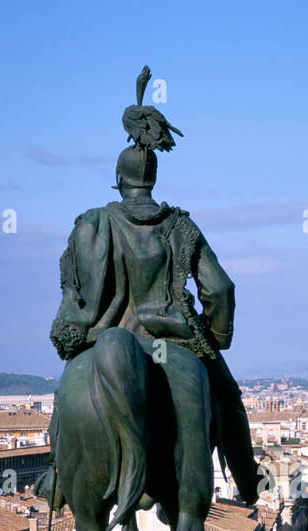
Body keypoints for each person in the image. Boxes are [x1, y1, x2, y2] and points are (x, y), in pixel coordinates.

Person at [46, 69, 260, 505]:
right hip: (172, 338)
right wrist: (215, 338)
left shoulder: (93, 223)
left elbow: (76, 297)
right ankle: (247, 480)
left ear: (119, 181)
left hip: (104, 337)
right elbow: (221, 288)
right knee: (228, 398)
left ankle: (56, 477)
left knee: (67, 399)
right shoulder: (180, 225)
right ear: (153, 180)